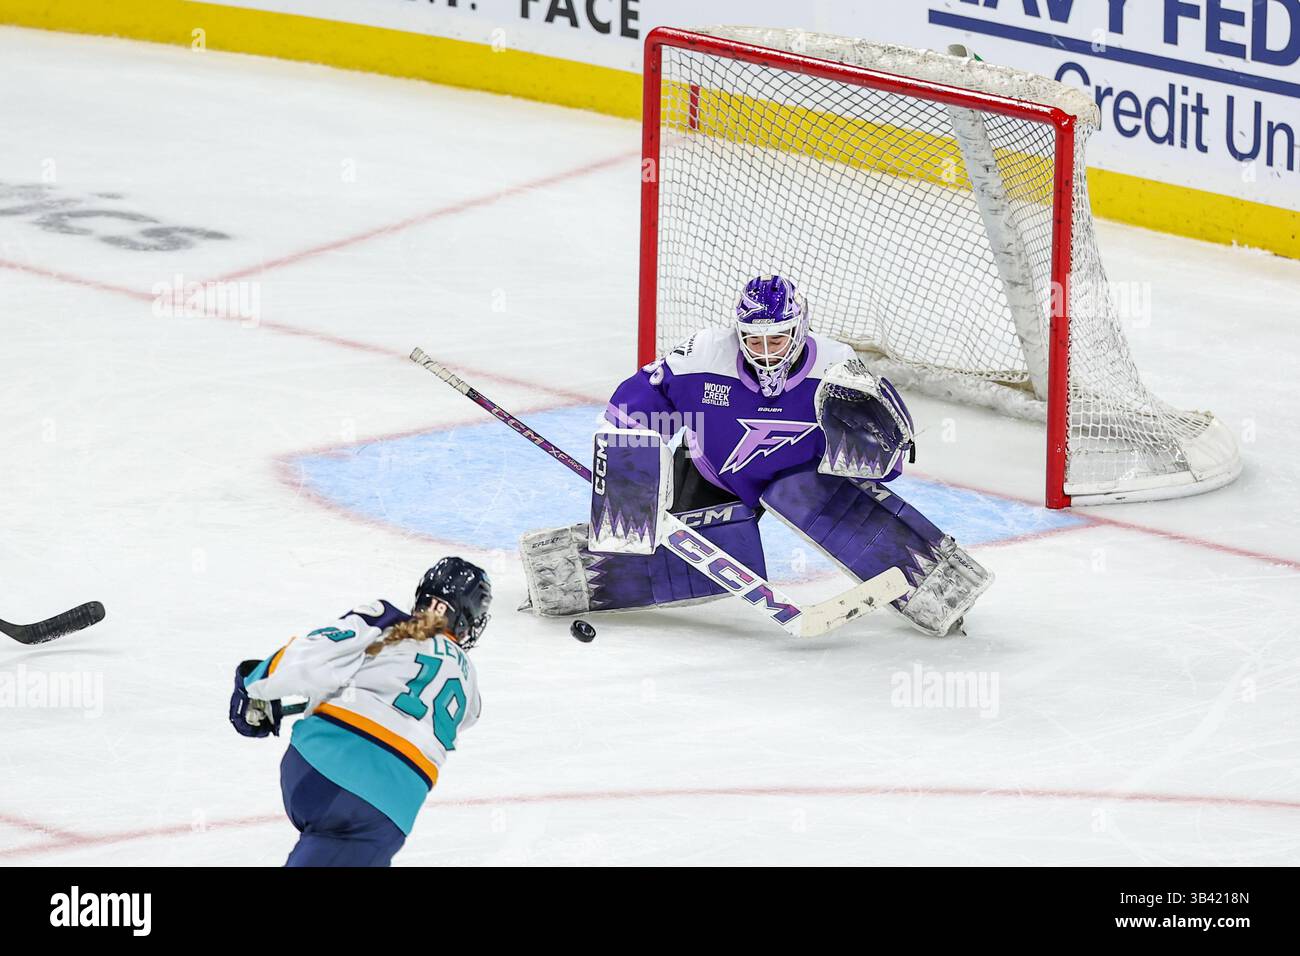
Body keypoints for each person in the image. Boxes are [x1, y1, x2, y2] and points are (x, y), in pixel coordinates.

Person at [519, 274, 991, 637]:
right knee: (716, 560)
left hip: (804, 480)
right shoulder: (704, 355)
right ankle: (572, 577)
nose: (764, 352)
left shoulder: (835, 366)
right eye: (754, 339)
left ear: (799, 329)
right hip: (713, 473)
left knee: (802, 495)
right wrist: (629, 465)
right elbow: (639, 403)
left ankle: (933, 584)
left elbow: (883, 462)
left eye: (777, 339)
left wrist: (877, 452)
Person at [229, 557, 491, 866]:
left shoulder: (390, 621)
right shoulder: (469, 678)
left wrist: (256, 684)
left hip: (317, 768)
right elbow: (466, 714)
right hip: (385, 806)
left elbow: (313, 657)